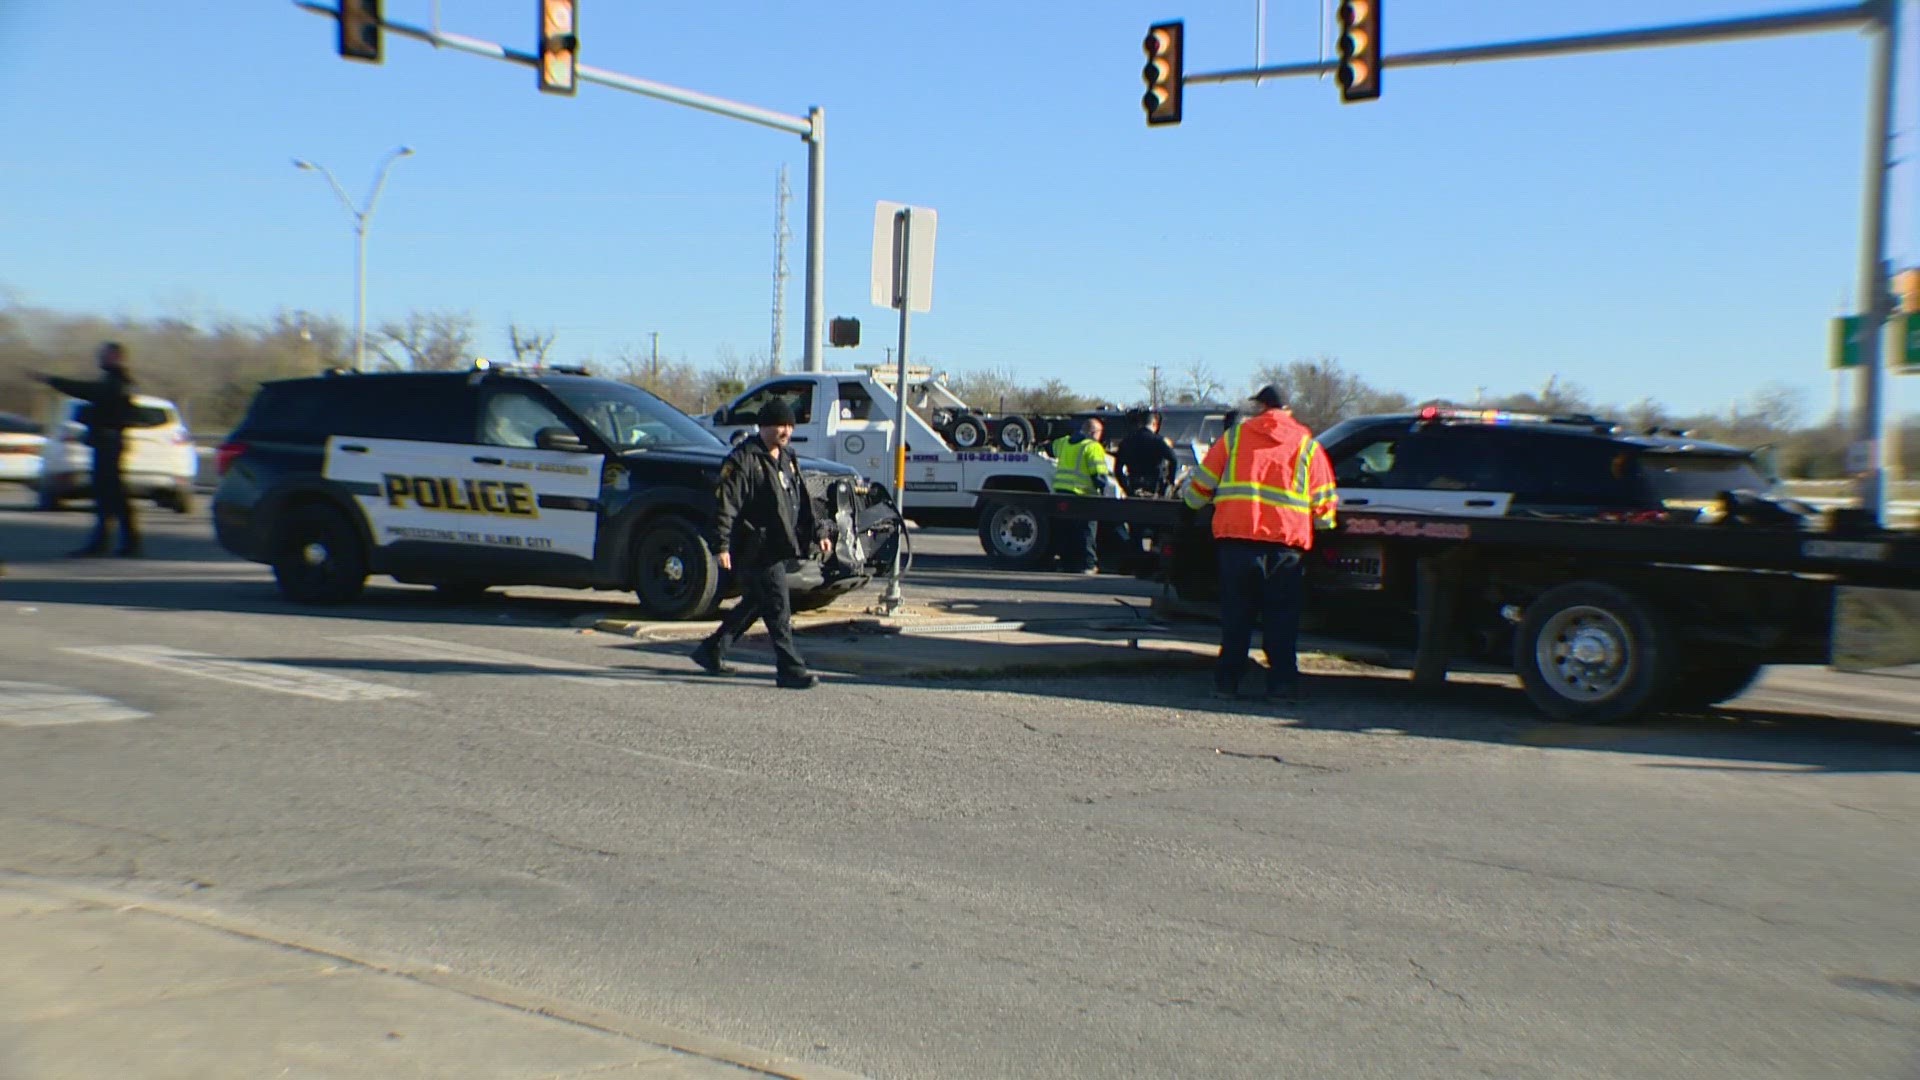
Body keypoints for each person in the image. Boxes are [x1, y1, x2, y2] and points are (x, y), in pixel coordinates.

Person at [1183, 385, 1338, 704]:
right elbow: (1323, 506)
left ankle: (1227, 684)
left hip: (1237, 542)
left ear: (1260, 407)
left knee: (1236, 618)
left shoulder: (1235, 438)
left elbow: (1202, 485)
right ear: (1288, 409)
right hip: (1285, 547)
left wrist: (1190, 504)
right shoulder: (1308, 446)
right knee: (1281, 619)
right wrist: (1322, 526)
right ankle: (1281, 686)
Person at [691, 397, 833, 689]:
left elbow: (802, 500)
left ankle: (712, 650)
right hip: (753, 547)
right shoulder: (743, 459)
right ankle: (790, 669)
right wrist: (722, 546)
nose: (786, 432)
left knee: (756, 603)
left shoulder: (788, 457)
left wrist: (819, 532)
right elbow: (726, 505)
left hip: (776, 545)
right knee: (779, 606)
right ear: (764, 426)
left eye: (790, 426)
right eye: (780, 425)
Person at [37, 342, 142, 558]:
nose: (100, 359)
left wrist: (52, 380)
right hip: (107, 442)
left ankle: (116, 543)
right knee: (110, 495)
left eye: (103, 355)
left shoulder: (116, 382)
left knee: (110, 494)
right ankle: (118, 542)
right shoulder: (117, 381)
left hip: (108, 442)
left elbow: (86, 391)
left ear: (115, 357)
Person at [1048, 417, 1116, 574]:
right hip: (1083, 494)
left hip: (1062, 491)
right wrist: (1104, 491)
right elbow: (1098, 475)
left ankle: (1066, 564)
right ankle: (1088, 564)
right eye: (1100, 433)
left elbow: (1050, 448)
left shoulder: (1065, 442)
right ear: (1093, 432)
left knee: (1066, 530)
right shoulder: (1093, 447)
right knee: (1086, 531)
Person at [1115, 409, 1179, 498]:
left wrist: (1127, 488)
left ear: (1139, 424)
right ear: (1154, 424)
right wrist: (1170, 481)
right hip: (1155, 489)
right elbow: (1174, 460)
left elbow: (1118, 469)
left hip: (1134, 487)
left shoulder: (1126, 442)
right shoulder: (1158, 441)